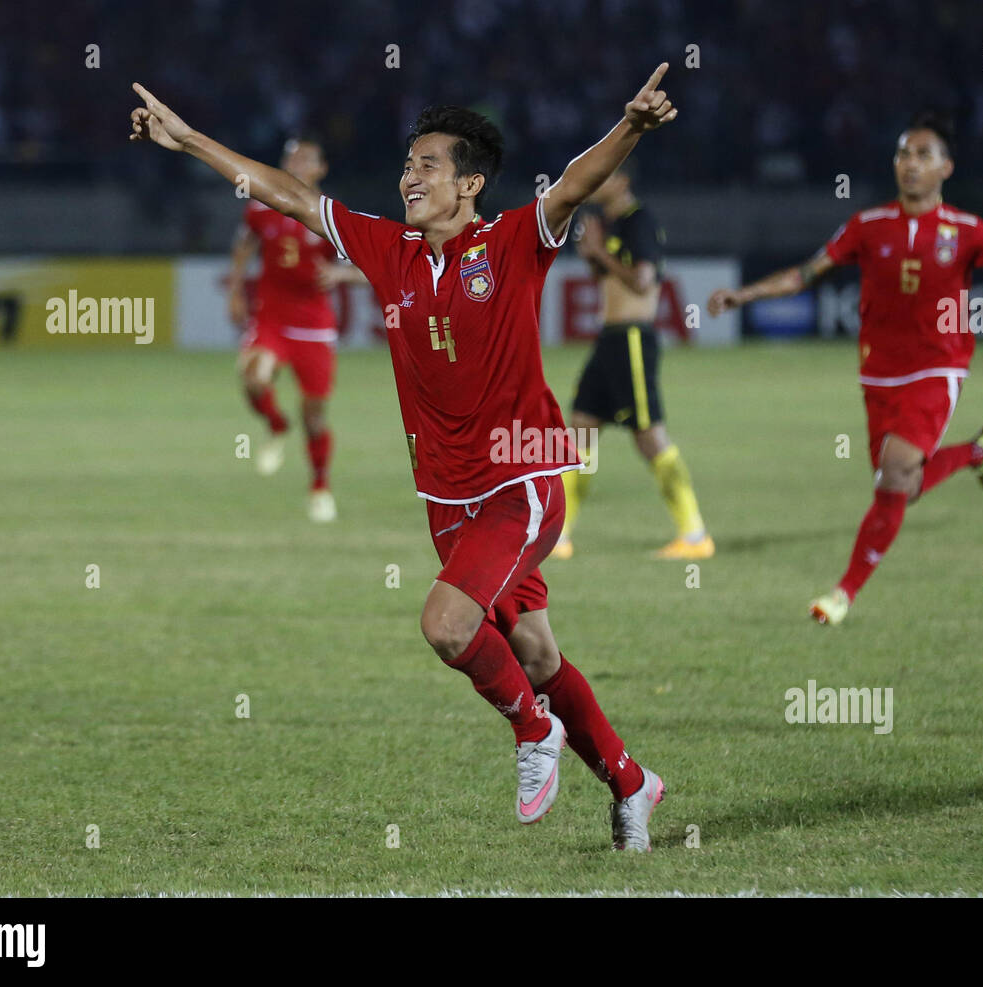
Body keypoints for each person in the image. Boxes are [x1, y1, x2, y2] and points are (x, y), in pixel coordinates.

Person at [130, 64, 679, 850]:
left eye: (428, 164)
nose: (408, 176)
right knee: (535, 650)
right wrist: (187, 141)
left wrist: (629, 126)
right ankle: (632, 783)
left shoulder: (515, 239)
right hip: (446, 495)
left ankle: (533, 732)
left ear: (470, 184)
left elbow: (572, 186)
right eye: (407, 162)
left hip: (520, 477)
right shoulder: (387, 249)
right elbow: (284, 192)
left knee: (449, 625)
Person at [709, 110, 983, 625]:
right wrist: (744, 294)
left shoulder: (969, 231)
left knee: (894, 474)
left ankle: (842, 593)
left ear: (946, 168)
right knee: (903, 487)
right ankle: (974, 451)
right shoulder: (868, 226)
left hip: (940, 367)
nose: (910, 164)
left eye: (923, 155)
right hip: (878, 373)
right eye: (903, 154)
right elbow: (805, 274)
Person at [551, 164, 713, 561]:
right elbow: (607, 277)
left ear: (622, 182)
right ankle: (559, 537)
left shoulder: (639, 221)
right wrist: (591, 254)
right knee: (581, 432)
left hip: (633, 339)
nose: (595, 181)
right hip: (608, 340)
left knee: (649, 436)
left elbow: (642, 282)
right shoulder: (607, 223)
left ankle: (695, 536)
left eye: (603, 175)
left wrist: (599, 253)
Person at [229, 136, 365, 522]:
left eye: (306, 159)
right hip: (271, 317)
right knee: (253, 378)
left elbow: (371, 265)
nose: (296, 165)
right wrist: (236, 289)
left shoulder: (329, 216)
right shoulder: (261, 206)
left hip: (314, 327)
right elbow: (244, 246)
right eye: (291, 158)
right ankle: (276, 423)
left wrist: (339, 273)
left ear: (321, 169)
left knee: (315, 417)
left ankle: (320, 486)